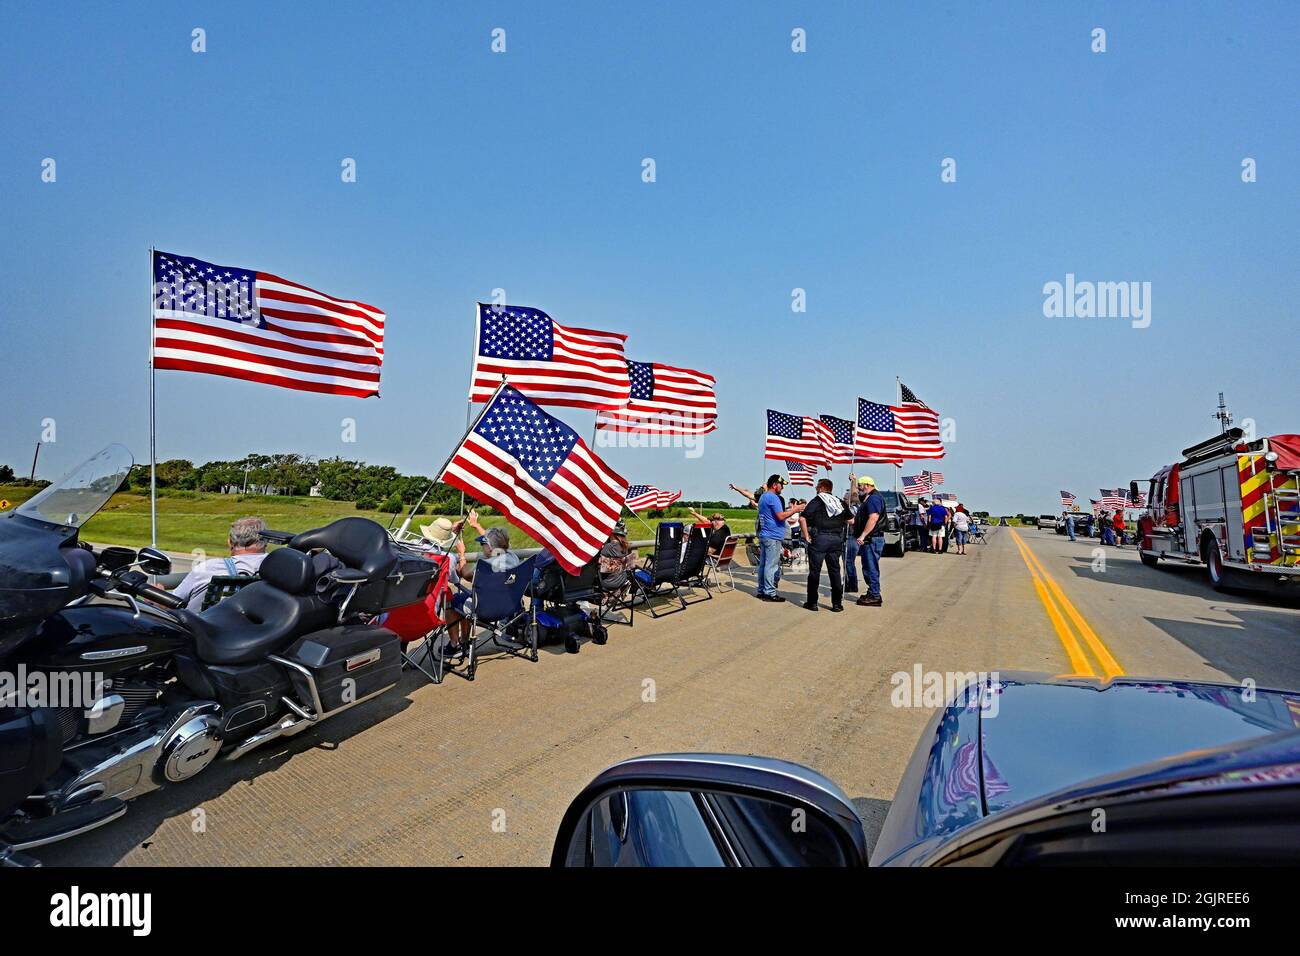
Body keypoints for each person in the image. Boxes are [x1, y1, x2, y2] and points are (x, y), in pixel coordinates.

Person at [442, 524, 521, 665]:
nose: (481, 548)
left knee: (453, 601)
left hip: (486, 611)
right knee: (465, 599)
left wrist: (461, 555)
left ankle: (456, 644)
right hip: (509, 607)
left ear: (490, 547)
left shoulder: (485, 565)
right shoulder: (513, 557)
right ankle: (464, 640)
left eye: (483, 544)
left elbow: (465, 574)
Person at [171, 516, 269, 610]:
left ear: (230, 542)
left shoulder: (209, 568)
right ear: (265, 542)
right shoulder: (277, 567)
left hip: (200, 625)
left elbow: (170, 604)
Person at [798, 478, 851, 611]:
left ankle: (812, 603)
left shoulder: (817, 500)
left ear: (822, 488)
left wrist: (806, 536)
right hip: (835, 540)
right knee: (835, 572)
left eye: (817, 487)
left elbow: (802, 518)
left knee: (815, 571)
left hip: (819, 539)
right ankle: (837, 604)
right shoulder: (840, 502)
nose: (816, 489)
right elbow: (852, 520)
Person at [755, 474, 803, 602]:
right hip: (773, 536)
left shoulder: (763, 497)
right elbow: (781, 516)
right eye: (781, 485)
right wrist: (795, 510)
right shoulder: (774, 497)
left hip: (765, 535)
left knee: (764, 565)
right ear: (775, 485)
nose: (782, 488)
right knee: (771, 566)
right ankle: (770, 592)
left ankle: (761, 590)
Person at [852, 475, 886, 607]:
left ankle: (875, 595)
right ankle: (872, 592)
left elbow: (873, 518)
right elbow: (855, 496)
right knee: (868, 566)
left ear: (867, 485)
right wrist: (854, 481)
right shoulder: (868, 497)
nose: (859, 488)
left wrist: (863, 535)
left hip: (872, 539)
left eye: (860, 486)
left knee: (871, 567)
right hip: (871, 539)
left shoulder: (874, 499)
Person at [842, 474, 862, 593]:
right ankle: (848, 582)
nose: (845, 497)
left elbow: (854, 495)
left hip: (852, 536)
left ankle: (852, 584)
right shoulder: (848, 507)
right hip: (845, 537)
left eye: (846, 496)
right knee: (846, 561)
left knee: (849, 561)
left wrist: (854, 482)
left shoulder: (856, 507)